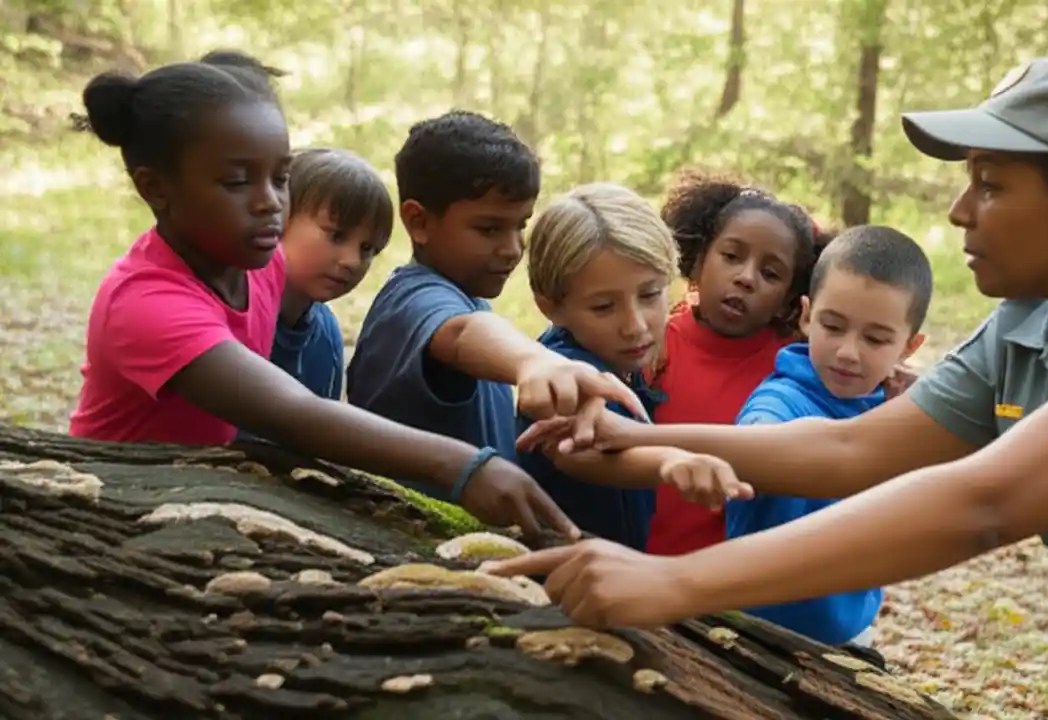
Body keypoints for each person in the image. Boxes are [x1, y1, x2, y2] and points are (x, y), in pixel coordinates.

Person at [489, 53, 1048, 718]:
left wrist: (676, 582)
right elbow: (853, 445)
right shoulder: (1029, 325)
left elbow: (986, 503)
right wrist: (644, 437)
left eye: (991, 184)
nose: (959, 210)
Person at [67, 51, 576, 539]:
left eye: (281, 176)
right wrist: (463, 466)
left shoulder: (258, 264)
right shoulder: (147, 303)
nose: (270, 203)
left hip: (195, 495)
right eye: (238, 181)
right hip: (114, 505)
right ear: (155, 188)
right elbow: (294, 412)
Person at [345, 111, 648, 500]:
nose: (511, 249)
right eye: (489, 229)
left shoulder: (467, 298)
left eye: (520, 226)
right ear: (418, 222)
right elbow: (461, 333)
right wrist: (534, 362)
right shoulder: (413, 299)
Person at [726, 225, 931, 648]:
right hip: (758, 638)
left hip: (854, 637)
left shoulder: (896, 413)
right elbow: (760, 436)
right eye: (833, 326)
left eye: (875, 338)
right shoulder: (781, 399)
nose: (848, 352)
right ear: (805, 316)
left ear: (909, 346)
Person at [518, 182, 749, 548]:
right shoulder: (566, 370)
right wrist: (667, 462)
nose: (636, 326)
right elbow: (578, 454)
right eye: (603, 307)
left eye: (649, 295)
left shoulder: (628, 363)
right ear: (550, 306)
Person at [640, 169, 819, 557]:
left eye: (770, 274)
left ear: (791, 299)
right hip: (637, 561)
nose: (746, 278)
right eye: (732, 256)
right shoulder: (653, 345)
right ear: (699, 259)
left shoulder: (795, 364)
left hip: (731, 585)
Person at [268, 147, 392, 400]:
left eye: (367, 249)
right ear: (280, 217)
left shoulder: (326, 335)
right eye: (337, 235)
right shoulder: (229, 317)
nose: (352, 261)